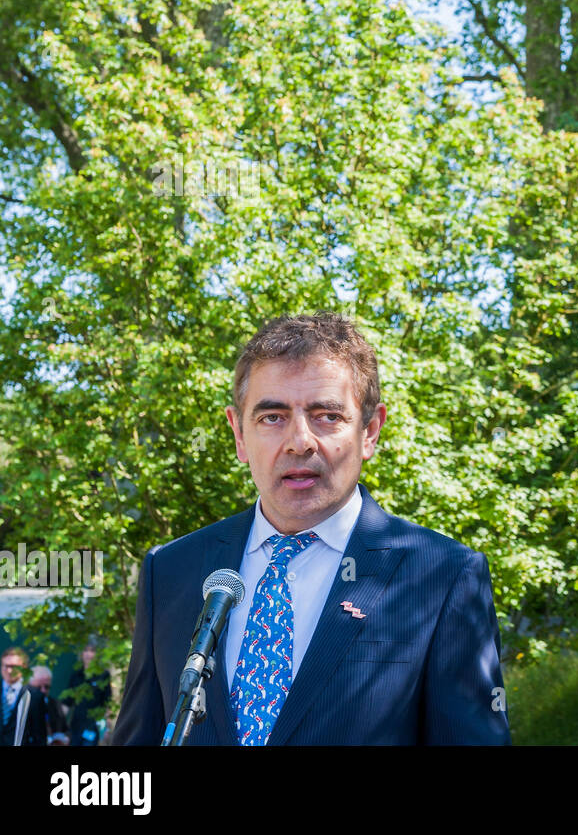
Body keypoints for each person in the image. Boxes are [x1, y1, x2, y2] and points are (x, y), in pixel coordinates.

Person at [115, 312, 510, 745]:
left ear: (370, 431)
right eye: (272, 417)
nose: (299, 441)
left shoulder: (443, 577)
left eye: (326, 416)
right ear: (239, 435)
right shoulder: (171, 571)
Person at [63, 642, 111, 746]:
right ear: (82, 654)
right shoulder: (76, 675)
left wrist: (107, 728)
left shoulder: (103, 675)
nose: (88, 654)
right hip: (76, 726)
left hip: (93, 725)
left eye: (92, 651)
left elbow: (108, 704)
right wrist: (59, 726)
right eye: (86, 650)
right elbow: (67, 703)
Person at [1, 647, 47, 746]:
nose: (9, 671)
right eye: (6, 666)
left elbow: (39, 736)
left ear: (24, 667)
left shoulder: (35, 696)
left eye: (14, 666)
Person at [28, 665, 70, 744]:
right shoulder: (23, 706)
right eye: (38, 687)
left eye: (46, 687)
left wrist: (64, 738)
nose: (43, 690)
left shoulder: (55, 704)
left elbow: (65, 730)